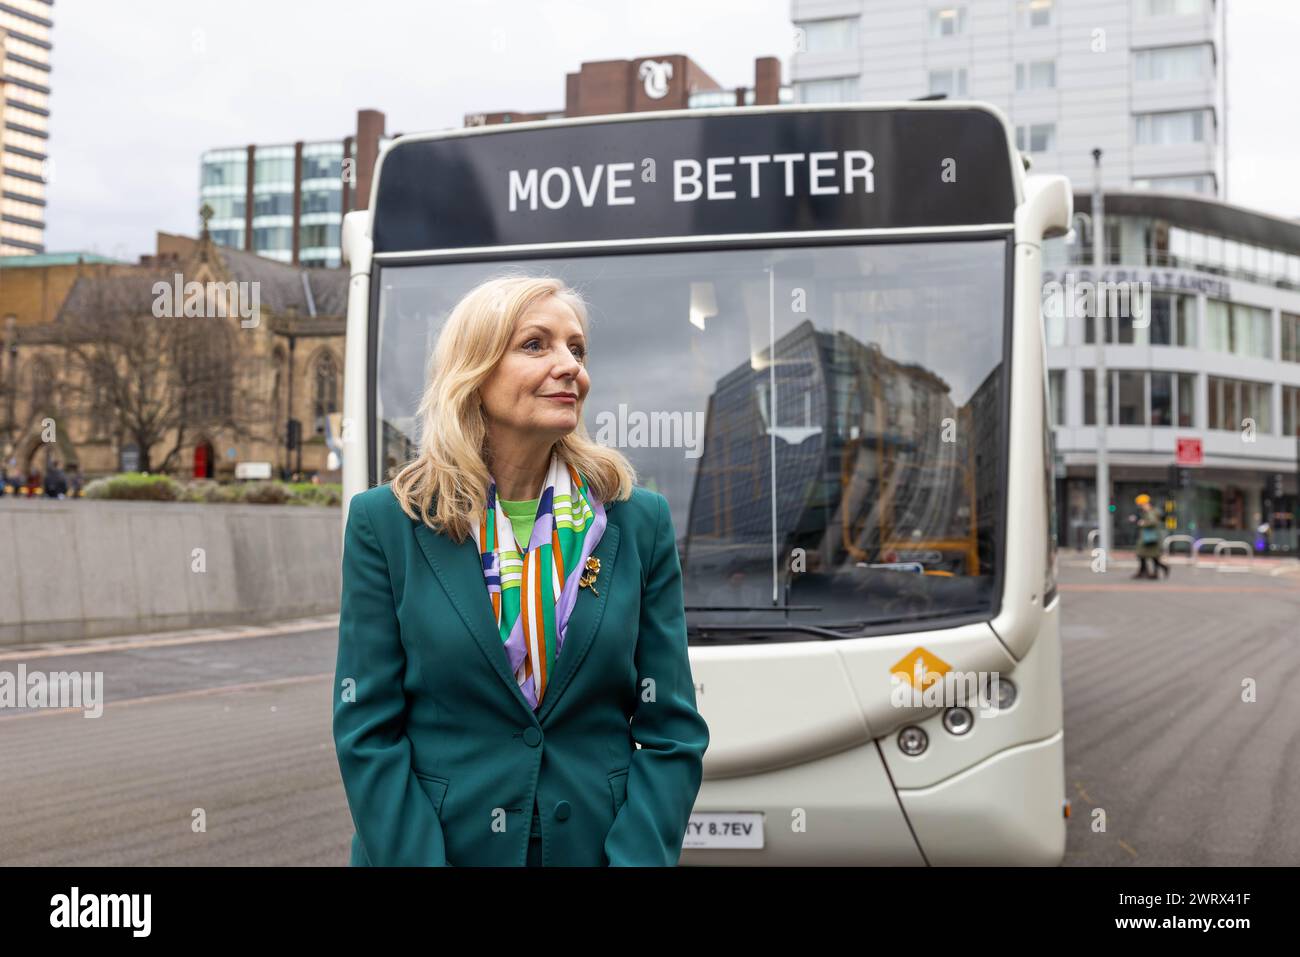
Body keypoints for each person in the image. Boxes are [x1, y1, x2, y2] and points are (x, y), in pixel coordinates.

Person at [332, 275, 709, 867]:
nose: (570, 367)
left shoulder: (638, 522)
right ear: (475, 372)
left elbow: (672, 729)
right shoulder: (388, 523)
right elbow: (367, 732)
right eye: (537, 345)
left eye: (577, 349)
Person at [1132, 493, 1169, 579]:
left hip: (1150, 537)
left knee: (1149, 556)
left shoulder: (1151, 512)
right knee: (1147, 556)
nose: (1140, 506)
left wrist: (1142, 523)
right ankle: (1146, 572)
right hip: (1149, 537)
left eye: (1141, 504)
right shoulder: (1151, 511)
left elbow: (1152, 522)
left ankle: (1152, 572)